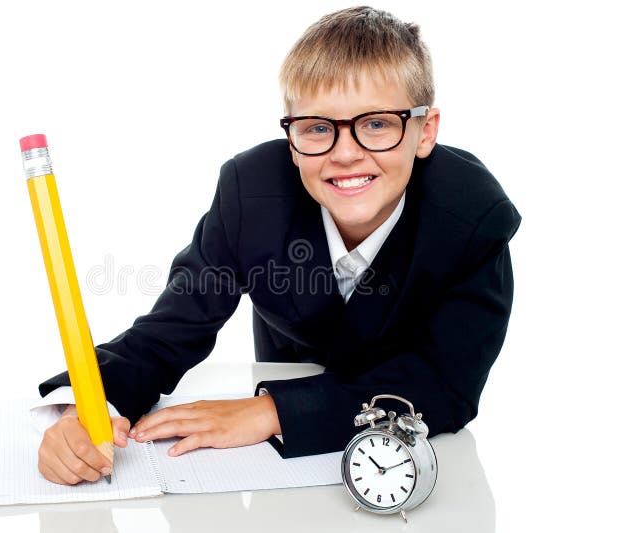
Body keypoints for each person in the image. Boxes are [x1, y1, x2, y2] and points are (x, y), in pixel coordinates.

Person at [34, 6, 521, 486]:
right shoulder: (250, 193)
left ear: (425, 131)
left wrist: (272, 411)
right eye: (317, 127)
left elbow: (447, 385)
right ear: (291, 139)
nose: (346, 153)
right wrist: (87, 408)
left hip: (395, 450)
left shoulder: (474, 218)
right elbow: (166, 335)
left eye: (376, 124)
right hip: (285, 400)